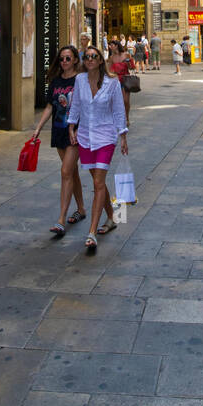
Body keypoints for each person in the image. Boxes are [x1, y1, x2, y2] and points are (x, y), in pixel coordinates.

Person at [68, 45, 129, 254]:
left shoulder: (112, 83)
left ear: (101, 60)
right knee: (98, 181)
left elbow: (119, 110)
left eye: (94, 56)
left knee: (97, 183)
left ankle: (92, 232)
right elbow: (75, 105)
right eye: (87, 57)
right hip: (85, 137)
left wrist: (123, 135)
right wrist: (71, 127)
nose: (90, 59)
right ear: (84, 61)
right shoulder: (79, 80)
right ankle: (111, 217)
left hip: (105, 137)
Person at [30, 46, 86, 237]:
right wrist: (38, 128)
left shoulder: (81, 80)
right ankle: (81, 208)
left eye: (68, 59)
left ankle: (61, 219)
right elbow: (50, 106)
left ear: (75, 60)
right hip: (59, 130)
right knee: (72, 171)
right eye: (61, 59)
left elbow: (86, 106)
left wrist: (80, 128)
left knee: (65, 172)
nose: (64, 62)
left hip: (75, 133)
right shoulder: (55, 82)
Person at [108, 38, 135, 121]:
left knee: (126, 101)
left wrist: (128, 64)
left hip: (125, 79)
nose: (110, 47)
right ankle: (119, 118)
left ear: (116, 46)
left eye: (111, 45)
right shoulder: (111, 57)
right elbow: (109, 70)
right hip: (115, 81)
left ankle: (126, 117)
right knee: (115, 102)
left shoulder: (126, 54)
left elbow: (132, 67)